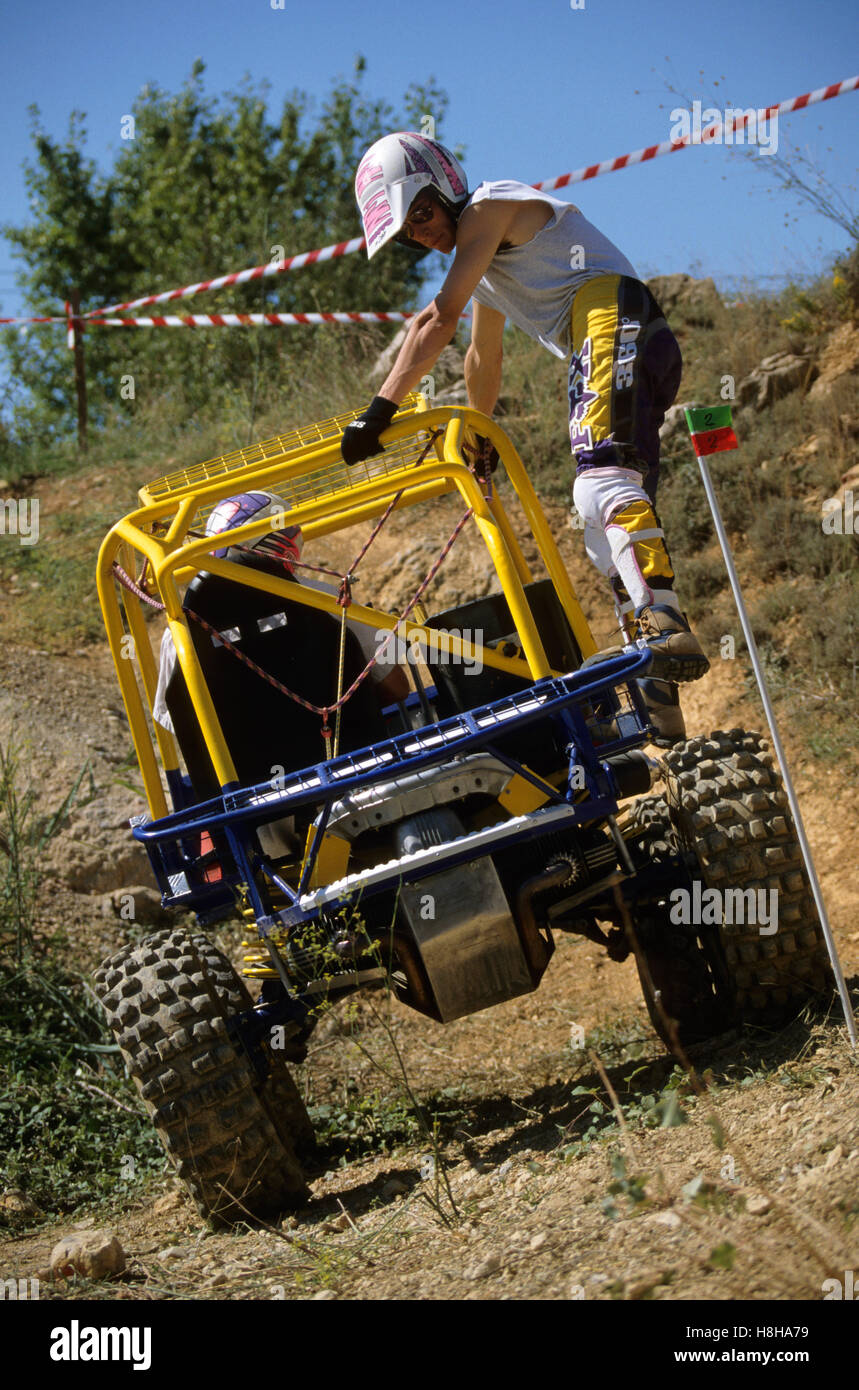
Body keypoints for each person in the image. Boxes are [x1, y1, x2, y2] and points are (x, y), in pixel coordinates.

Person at [340, 131, 709, 743]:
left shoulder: (488, 208)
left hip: (614, 317)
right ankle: (657, 695)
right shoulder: (481, 263)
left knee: (603, 477)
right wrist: (479, 433)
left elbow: (438, 319)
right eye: (407, 231)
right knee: (597, 519)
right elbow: (483, 357)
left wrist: (378, 410)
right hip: (622, 337)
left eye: (422, 213)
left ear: (447, 186)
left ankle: (663, 621)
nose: (421, 232)